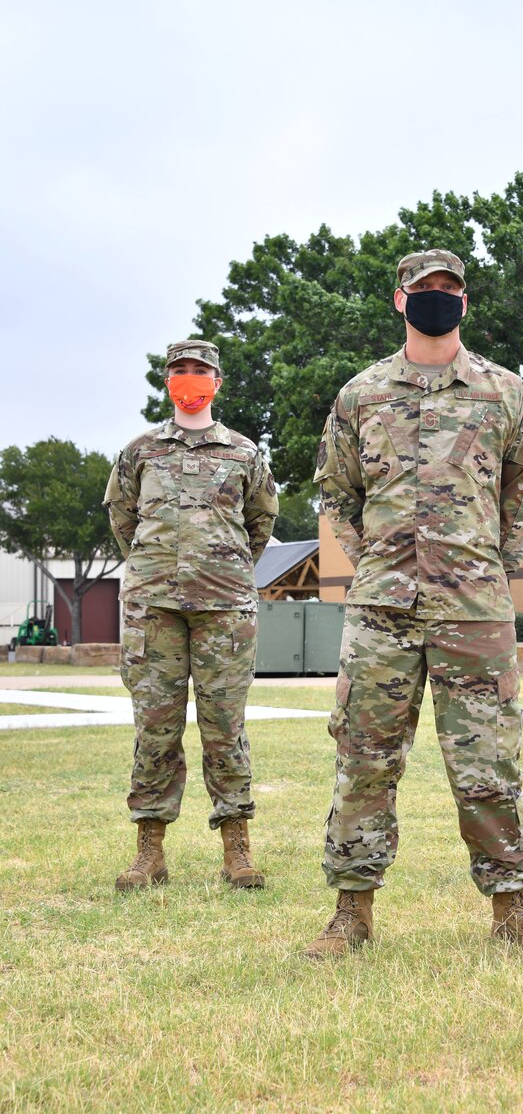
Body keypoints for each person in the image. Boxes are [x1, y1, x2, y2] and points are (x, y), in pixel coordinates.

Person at [306, 248, 523, 956]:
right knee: (364, 757)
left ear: (464, 300)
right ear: (399, 299)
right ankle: (350, 912)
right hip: (382, 610)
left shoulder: (503, 391)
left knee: (487, 760)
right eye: (423, 289)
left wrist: (489, 566)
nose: (435, 298)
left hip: (473, 607)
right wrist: (377, 565)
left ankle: (512, 910)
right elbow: (338, 492)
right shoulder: (360, 395)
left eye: (448, 289)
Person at [104, 339, 279, 890]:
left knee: (224, 728)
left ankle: (237, 850)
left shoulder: (245, 454)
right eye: (179, 369)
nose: (189, 377)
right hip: (153, 607)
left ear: (217, 381)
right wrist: (158, 569)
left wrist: (220, 570)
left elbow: (261, 523)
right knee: (154, 728)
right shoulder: (140, 452)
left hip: (224, 608)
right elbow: (123, 520)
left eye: (199, 369)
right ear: (167, 381)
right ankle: (149, 851)